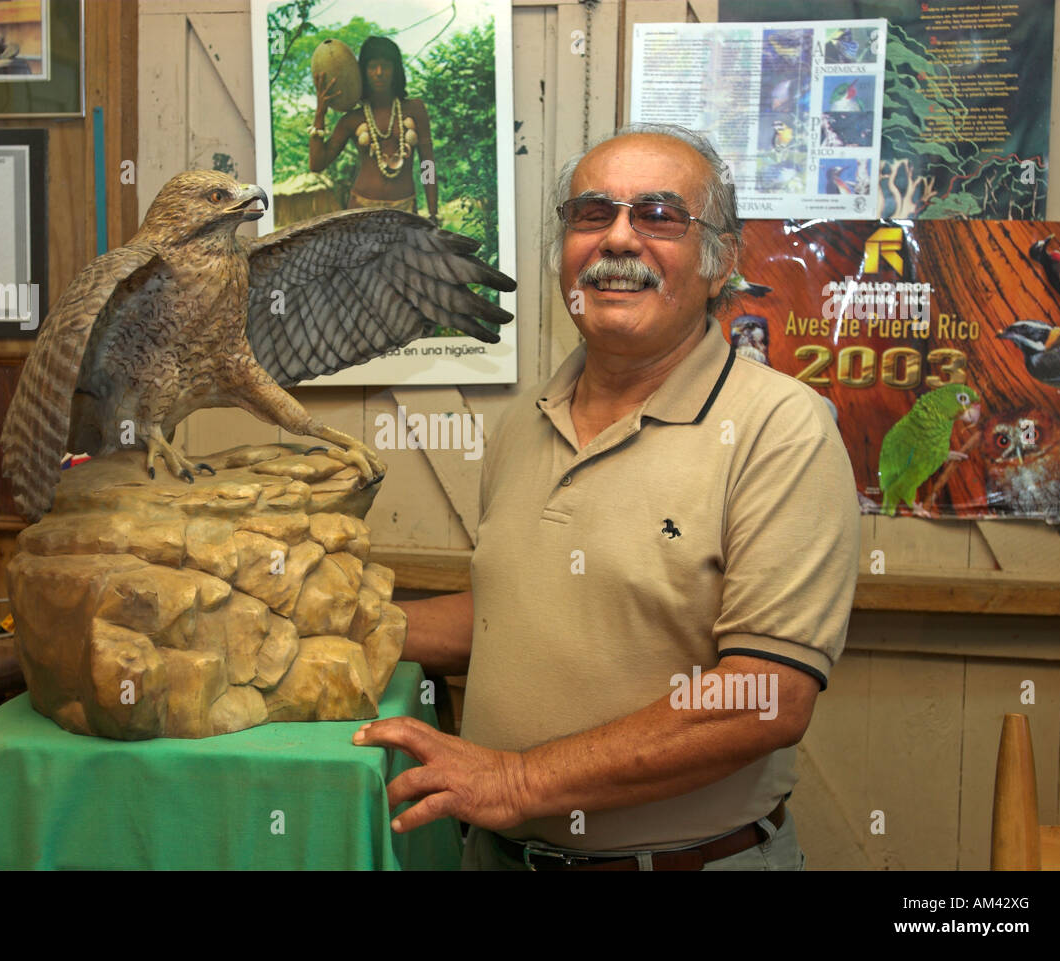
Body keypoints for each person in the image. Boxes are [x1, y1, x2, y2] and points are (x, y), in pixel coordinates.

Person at [352, 123, 861, 870]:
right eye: (592, 214)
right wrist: (348, 620)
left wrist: (519, 779)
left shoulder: (781, 429)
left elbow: (765, 697)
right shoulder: (524, 422)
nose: (618, 238)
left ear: (721, 263)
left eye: (658, 215)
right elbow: (514, 611)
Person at [310, 36, 438, 223]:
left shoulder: (415, 109)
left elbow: (428, 163)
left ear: (396, 70)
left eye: (386, 66)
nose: (379, 73)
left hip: (406, 210)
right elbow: (317, 164)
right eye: (372, 66)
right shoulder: (353, 119)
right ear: (363, 71)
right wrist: (320, 113)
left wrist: (433, 212)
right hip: (361, 211)